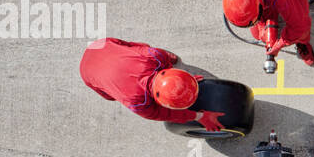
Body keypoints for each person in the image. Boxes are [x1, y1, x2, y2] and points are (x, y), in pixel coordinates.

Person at [79, 37, 223, 130]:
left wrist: (182, 81)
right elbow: (165, 113)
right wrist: (199, 117)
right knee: (110, 96)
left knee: (146, 49)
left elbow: (142, 49)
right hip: (87, 73)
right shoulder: (138, 104)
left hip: (100, 45)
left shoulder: (155, 56)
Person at [222, 0, 314, 66]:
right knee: (258, 35)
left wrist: (279, 45)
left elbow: (299, 26)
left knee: (302, 30)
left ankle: (303, 43)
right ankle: (270, 17)